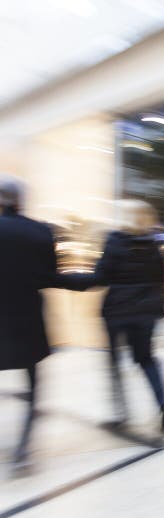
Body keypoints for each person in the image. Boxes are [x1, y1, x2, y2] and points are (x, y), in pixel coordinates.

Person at [0, 176, 85, 471]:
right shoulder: (41, 232)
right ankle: (24, 448)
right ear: (20, 200)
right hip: (27, 317)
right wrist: (85, 281)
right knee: (34, 381)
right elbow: (49, 276)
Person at [83, 200, 164, 434]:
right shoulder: (154, 246)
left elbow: (101, 277)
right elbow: (161, 279)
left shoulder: (114, 241)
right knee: (146, 359)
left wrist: (67, 280)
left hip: (118, 311)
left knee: (114, 362)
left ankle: (121, 415)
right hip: (146, 312)